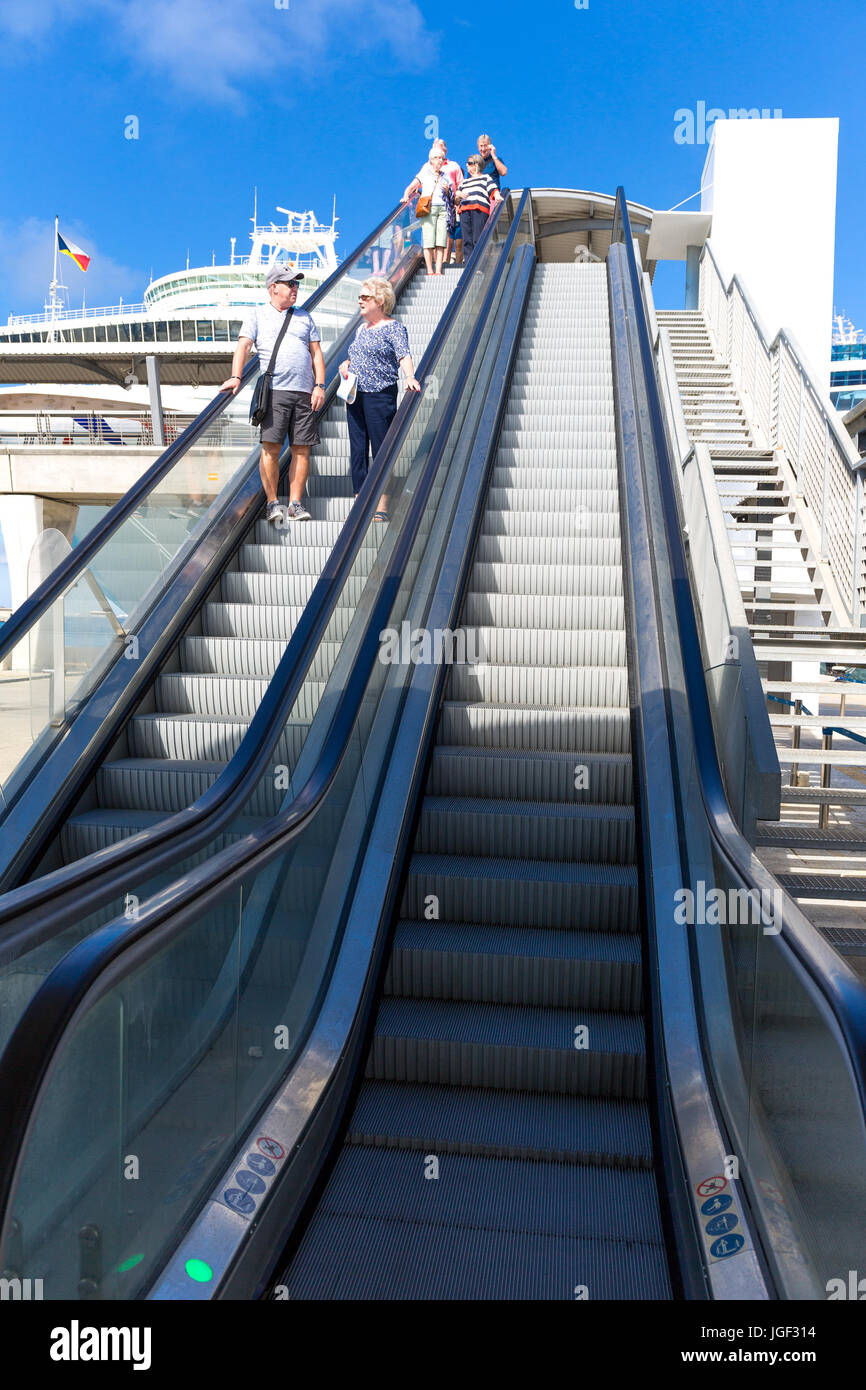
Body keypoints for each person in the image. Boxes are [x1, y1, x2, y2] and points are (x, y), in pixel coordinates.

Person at [220, 263, 325, 523]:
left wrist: (320, 385)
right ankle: (272, 502)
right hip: (275, 391)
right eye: (290, 284)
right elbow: (243, 346)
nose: (295, 289)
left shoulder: (304, 316)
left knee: (302, 449)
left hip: (304, 392)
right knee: (271, 448)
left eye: (296, 284)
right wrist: (236, 376)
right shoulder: (257, 315)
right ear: (273, 287)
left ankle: (296, 504)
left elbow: (316, 353)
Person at [339, 277, 420, 521]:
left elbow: (403, 354)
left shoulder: (393, 328)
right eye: (359, 297)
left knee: (381, 448)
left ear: (380, 300)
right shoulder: (360, 329)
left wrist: (410, 376)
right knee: (357, 449)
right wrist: (346, 363)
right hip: (355, 395)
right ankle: (360, 499)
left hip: (379, 394)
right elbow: (356, 356)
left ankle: (382, 502)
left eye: (365, 297)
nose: (359, 301)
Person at [401, 148, 452, 276]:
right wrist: (406, 196)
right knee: (429, 240)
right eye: (437, 158)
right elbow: (411, 187)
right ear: (431, 160)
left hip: (442, 209)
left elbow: (451, 196)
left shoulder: (446, 175)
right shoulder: (425, 173)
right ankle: (430, 270)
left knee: (440, 241)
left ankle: (438, 270)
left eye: (441, 158)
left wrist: (447, 191)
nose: (439, 160)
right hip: (428, 208)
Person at [455, 155, 503, 260]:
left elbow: (493, 189)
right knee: (467, 240)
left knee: (478, 238)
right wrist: (459, 194)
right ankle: (469, 264)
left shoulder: (485, 178)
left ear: (477, 164)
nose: (467, 165)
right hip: (465, 211)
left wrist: (498, 196)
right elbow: (457, 198)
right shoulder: (465, 182)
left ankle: (478, 263)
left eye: (470, 163)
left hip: (479, 210)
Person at [430, 139, 464, 267]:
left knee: (447, 233)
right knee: (434, 234)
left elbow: (461, 183)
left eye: (440, 149)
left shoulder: (453, 165)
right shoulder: (427, 166)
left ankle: (445, 261)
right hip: (433, 204)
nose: (438, 153)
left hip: (450, 204)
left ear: (445, 150)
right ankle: (435, 262)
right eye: (435, 150)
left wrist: (458, 198)